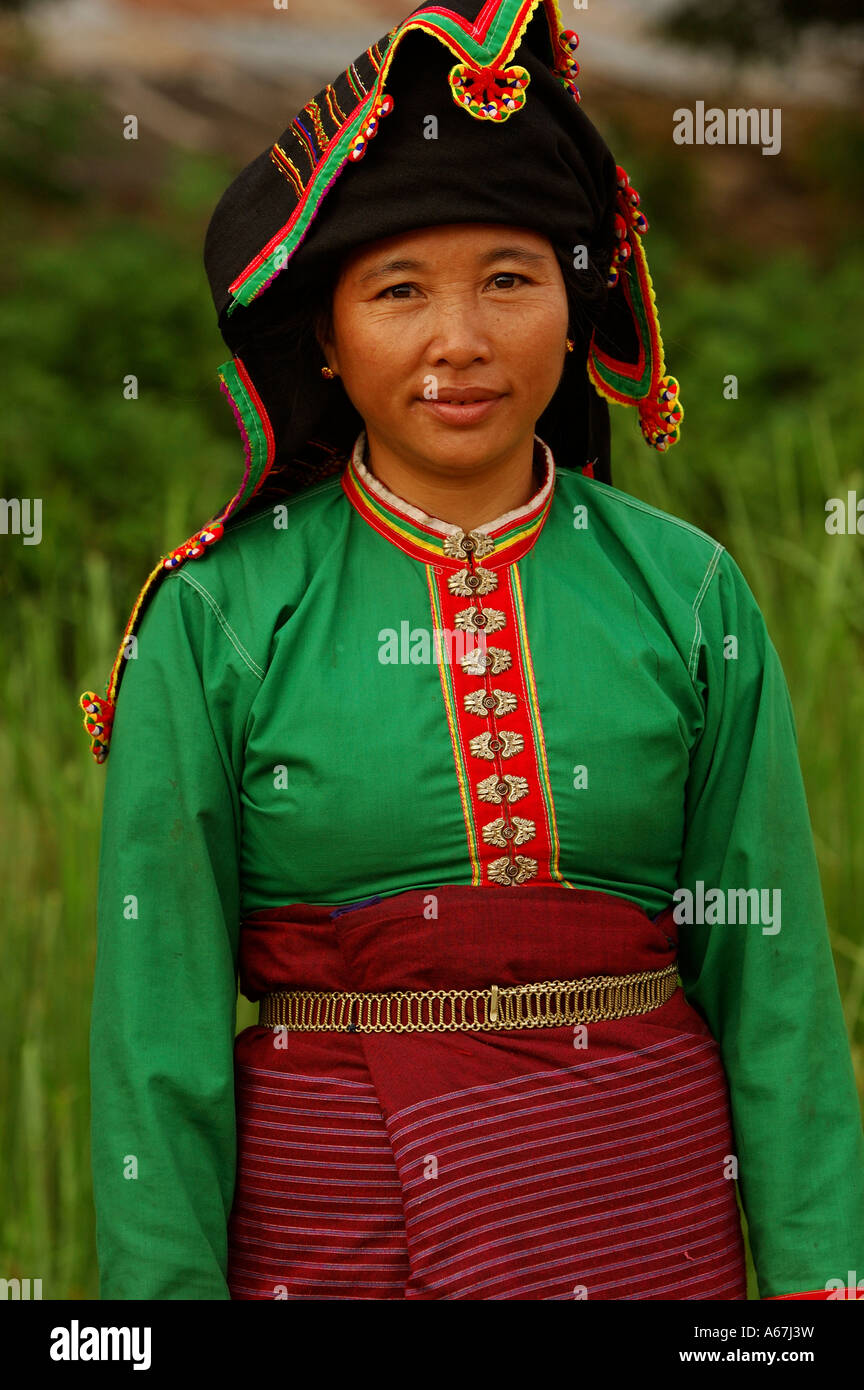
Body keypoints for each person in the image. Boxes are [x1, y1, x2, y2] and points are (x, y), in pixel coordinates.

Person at [80, 0, 864, 1301]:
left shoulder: (690, 594)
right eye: (398, 291)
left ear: (576, 304)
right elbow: (152, 1026)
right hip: (335, 1240)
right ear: (326, 337)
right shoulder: (216, 613)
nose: (461, 341)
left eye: (510, 278)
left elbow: (773, 981)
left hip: (653, 1237)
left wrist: (822, 1291)